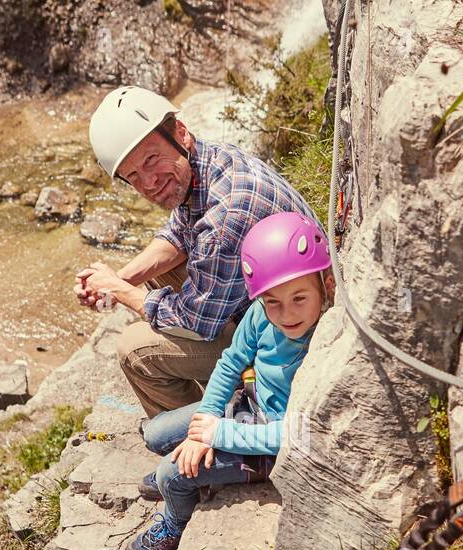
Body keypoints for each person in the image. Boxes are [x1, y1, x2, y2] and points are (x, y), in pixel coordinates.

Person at [74, 86, 322, 419]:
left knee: (134, 350)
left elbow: (195, 322)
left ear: (180, 133)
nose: (149, 183)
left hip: (292, 332)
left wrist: (120, 291)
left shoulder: (225, 216)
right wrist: (119, 278)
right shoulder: (208, 161)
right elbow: (178, 234)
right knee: (159, 269)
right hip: (277, 299)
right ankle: (216, 404)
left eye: (151, 159)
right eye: (133, 175)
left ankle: (205, 440)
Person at [124, 211, 334, 550]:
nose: (286, 314)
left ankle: (174, 523)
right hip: (250, 408)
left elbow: (301, 434)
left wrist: (218, 435)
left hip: (275, 446)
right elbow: (232, 361)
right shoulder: (259, 314)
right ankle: (182, 477)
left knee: (172, 475)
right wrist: (204, 422)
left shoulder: (326, 343)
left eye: (300, 299)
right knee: (156, 434)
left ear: (326, 285)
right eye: (273, 303)